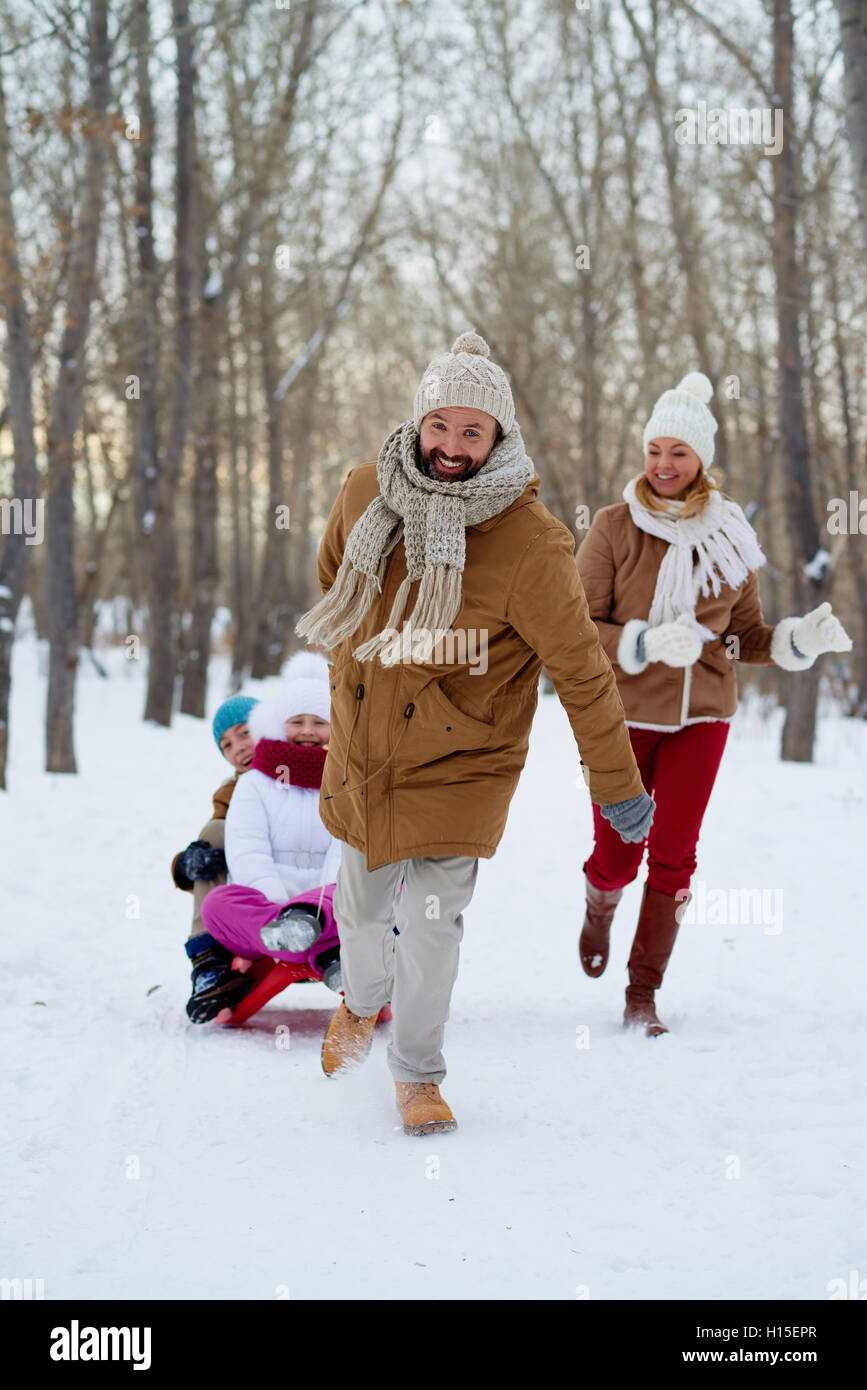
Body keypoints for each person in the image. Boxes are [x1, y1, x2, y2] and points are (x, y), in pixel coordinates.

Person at [295, 330, 653, 1137]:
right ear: (418, 421)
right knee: (358, 912)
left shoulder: (532, 544)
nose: (450, 446)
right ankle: (358, 1001)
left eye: (472, 432)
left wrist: (617, 786)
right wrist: (348, 674)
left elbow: (582, 670)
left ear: (499, 439)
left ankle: (417, 1076)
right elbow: (329, 582)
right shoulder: (363, 491)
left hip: (464, 759)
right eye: (440, 426)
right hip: (366, 749)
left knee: (429, 925)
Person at [575, 372, 853, 1035]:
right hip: (621, 717)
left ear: (701, 459)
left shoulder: (728, 536)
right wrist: (642, 642)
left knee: (674, 853)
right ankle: (598, 903)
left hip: (702, 715)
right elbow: (578, 629)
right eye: (654, 451)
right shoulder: (613, 529)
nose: (663, 465)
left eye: (677, 453)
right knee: (618, 854)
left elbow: (742, 636)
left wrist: (793, 641)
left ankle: (641, 993)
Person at [199, 652, 344, 1010]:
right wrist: (282, 912)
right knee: (217, 904)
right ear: (280, 725)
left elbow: (350, 851)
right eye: (297, 721)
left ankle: (312, 933)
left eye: (319, 722)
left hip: (329, 903)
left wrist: (311, 908)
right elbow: (247, 851)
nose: (308, 731)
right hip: (270, 913)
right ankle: (325, 951)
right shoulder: (255, 784)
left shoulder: (348, 782)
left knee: (380, 886)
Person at [175, 694, 260, 1023]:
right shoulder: (230, 794)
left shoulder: (308, 767)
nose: (237, 748)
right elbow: (215, 836)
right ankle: (208, 962)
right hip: (255, 892)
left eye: (244, 732)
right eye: (226, 745)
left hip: (309, 884)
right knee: (214, 832)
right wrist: (186, 864)